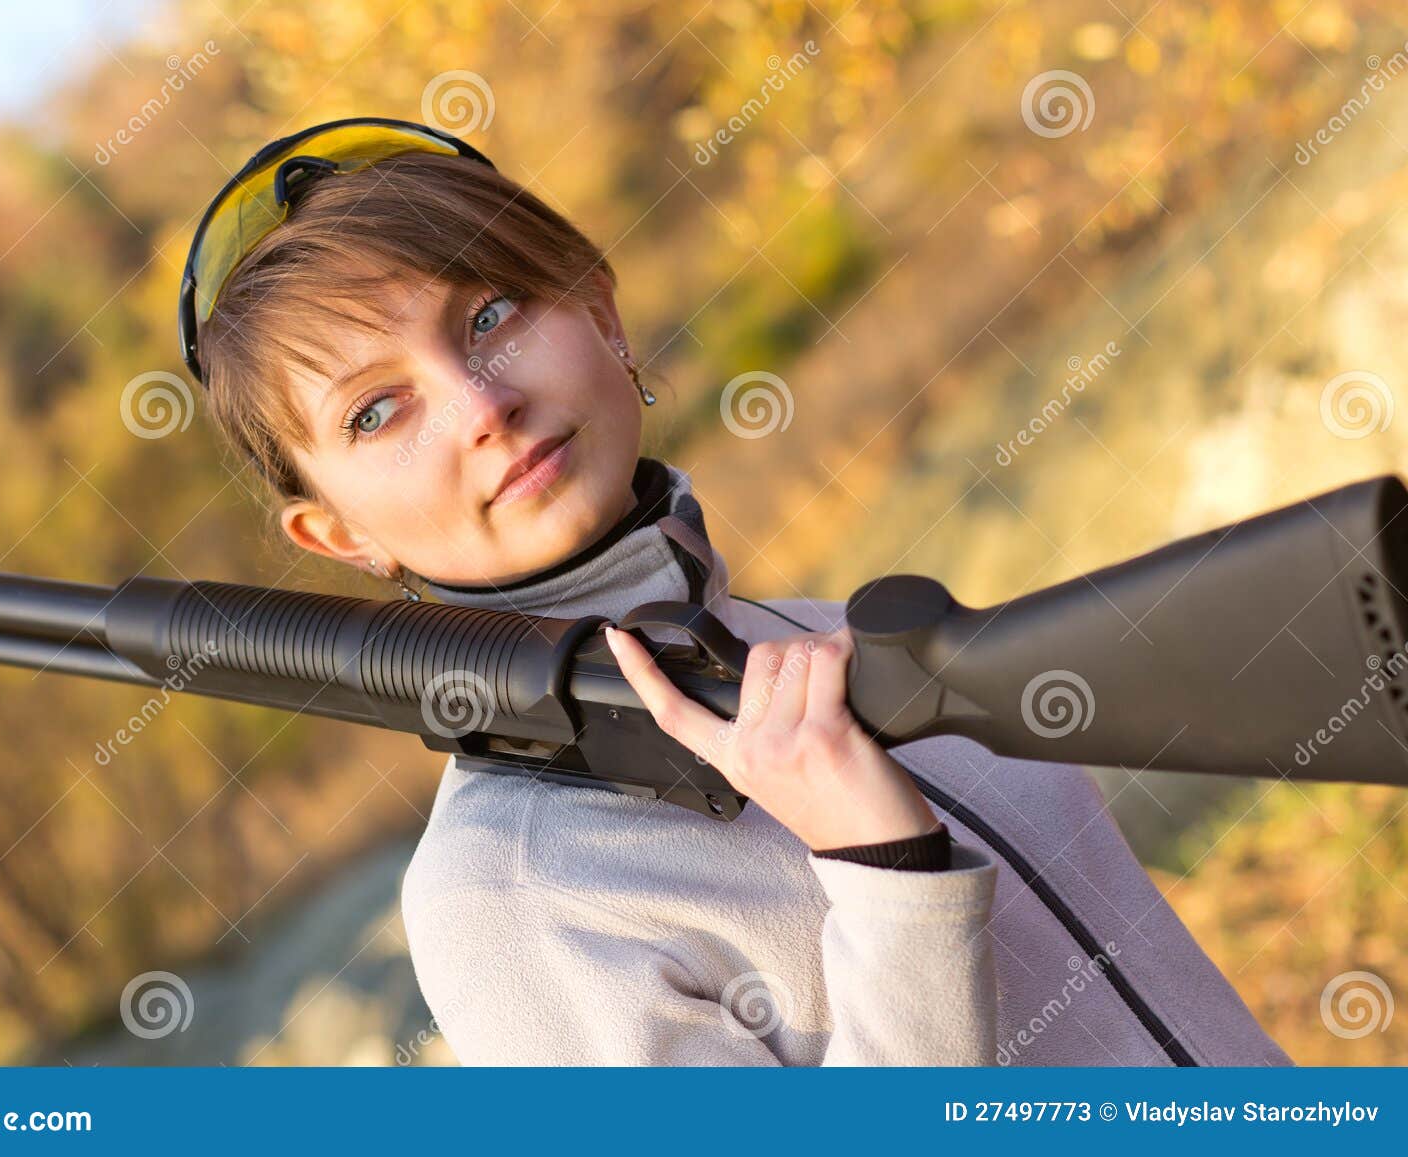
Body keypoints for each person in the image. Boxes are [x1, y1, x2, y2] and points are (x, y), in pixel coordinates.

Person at [178, 117, 1292, 1067]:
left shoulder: (823, 642)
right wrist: (885, 871)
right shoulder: (504, 894)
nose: (478, 403)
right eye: (375, 410)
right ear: (337, 534)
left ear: (601, 314)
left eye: (490, 315)